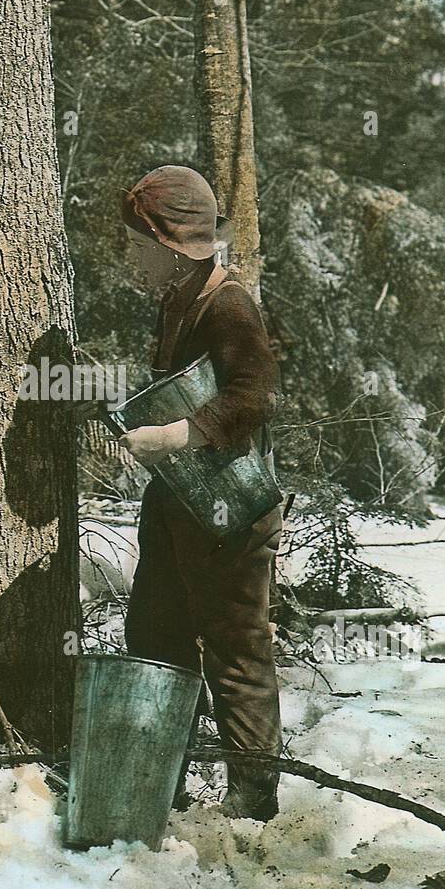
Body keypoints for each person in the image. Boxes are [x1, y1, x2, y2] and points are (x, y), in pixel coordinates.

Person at [119, 165, 284, 821]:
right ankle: (162, 778)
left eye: (137, 243)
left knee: (235, 649)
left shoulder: (227, 302)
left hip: (229, 509)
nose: (129, 256)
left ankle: (252, 799)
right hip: (179, 504)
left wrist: (174, 436)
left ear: (169, 241)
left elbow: (255, 395)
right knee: (154, 635)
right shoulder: (176, 301)